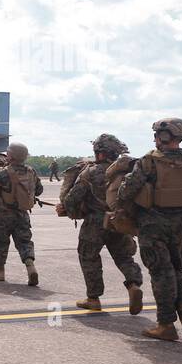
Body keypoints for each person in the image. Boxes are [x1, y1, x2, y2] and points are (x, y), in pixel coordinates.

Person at [118, 118, 182, 340]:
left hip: (153, 226)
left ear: (162, 137)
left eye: (156, 135)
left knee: (161, 273)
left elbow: (126, 193)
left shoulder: (148, 162)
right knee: (178, 269)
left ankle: (165, 325)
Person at [62, 133, 143, 313]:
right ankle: (133, 285)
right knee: (123, 256)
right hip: (120, 220)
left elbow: (72, 199)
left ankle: (93, 298)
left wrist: (69, 211)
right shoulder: (126, 172)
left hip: (95, 222)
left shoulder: (91, 172)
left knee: (88, 256)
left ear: (99, 153)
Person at [0, 142, 42, 286]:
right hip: (22, 215)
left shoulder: (2, 174)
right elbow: (39, 190)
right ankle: (30, 267)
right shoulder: (31, 172)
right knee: (24, 242)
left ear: (11, 156)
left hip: (4, 215)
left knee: (0, 242)